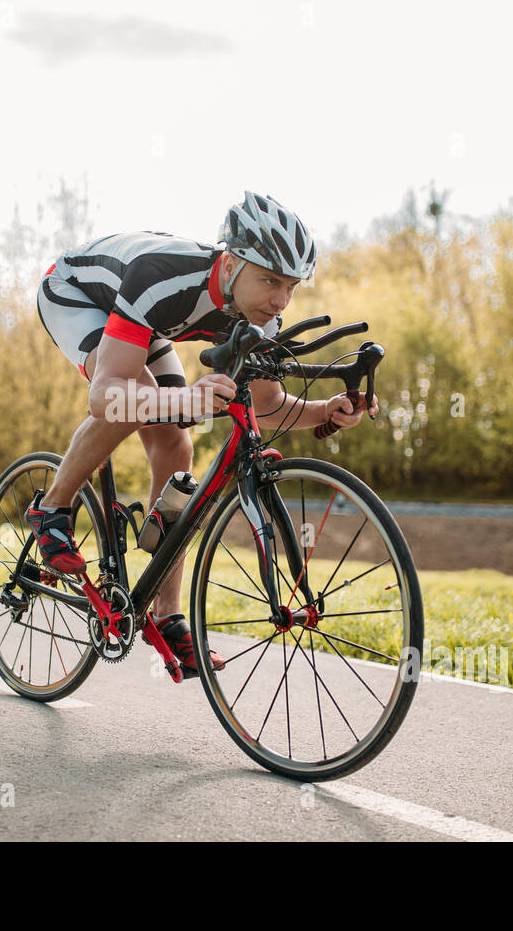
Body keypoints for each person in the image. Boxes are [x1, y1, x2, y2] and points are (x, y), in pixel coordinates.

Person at [28, 191, 375, 679]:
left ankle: (166, 616)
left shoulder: (259, 313)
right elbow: (105, 396)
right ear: (232, 264)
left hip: (143, 319)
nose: (281, 300)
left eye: (292, 287)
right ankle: (51, 509)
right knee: (136, 398)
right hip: (77, 294)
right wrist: (184, 400)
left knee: (176, 443)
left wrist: (327, 410)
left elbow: (270, 405)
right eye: (271, 281)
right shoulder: (164, 276)